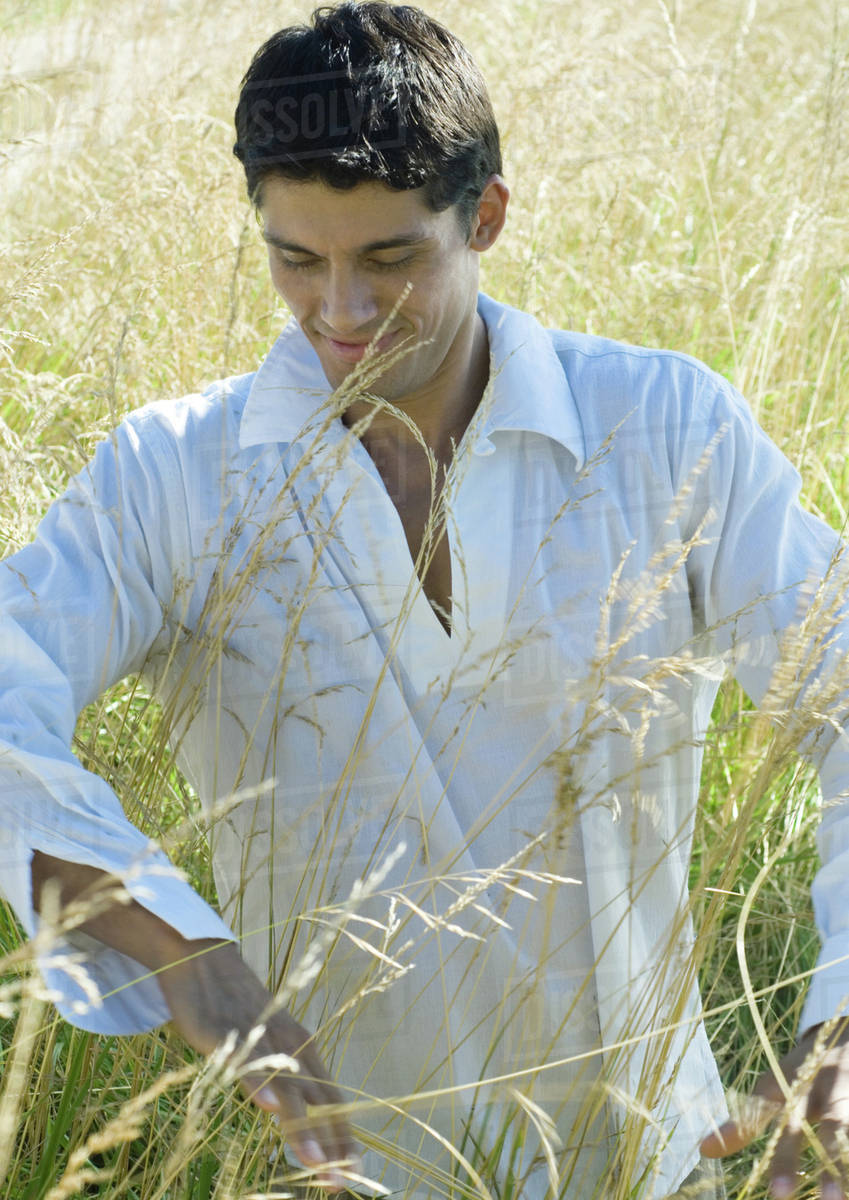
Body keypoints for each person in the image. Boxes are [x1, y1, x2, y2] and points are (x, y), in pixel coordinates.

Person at [3, 3, 849, 1197]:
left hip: (648, 1164)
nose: (341, 312)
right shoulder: (173, 476)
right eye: (298, 259)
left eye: (390, 259)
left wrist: (842, 1025)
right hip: (340, 1171)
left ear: (485, 216)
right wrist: (180, 946)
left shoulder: (667, 427)